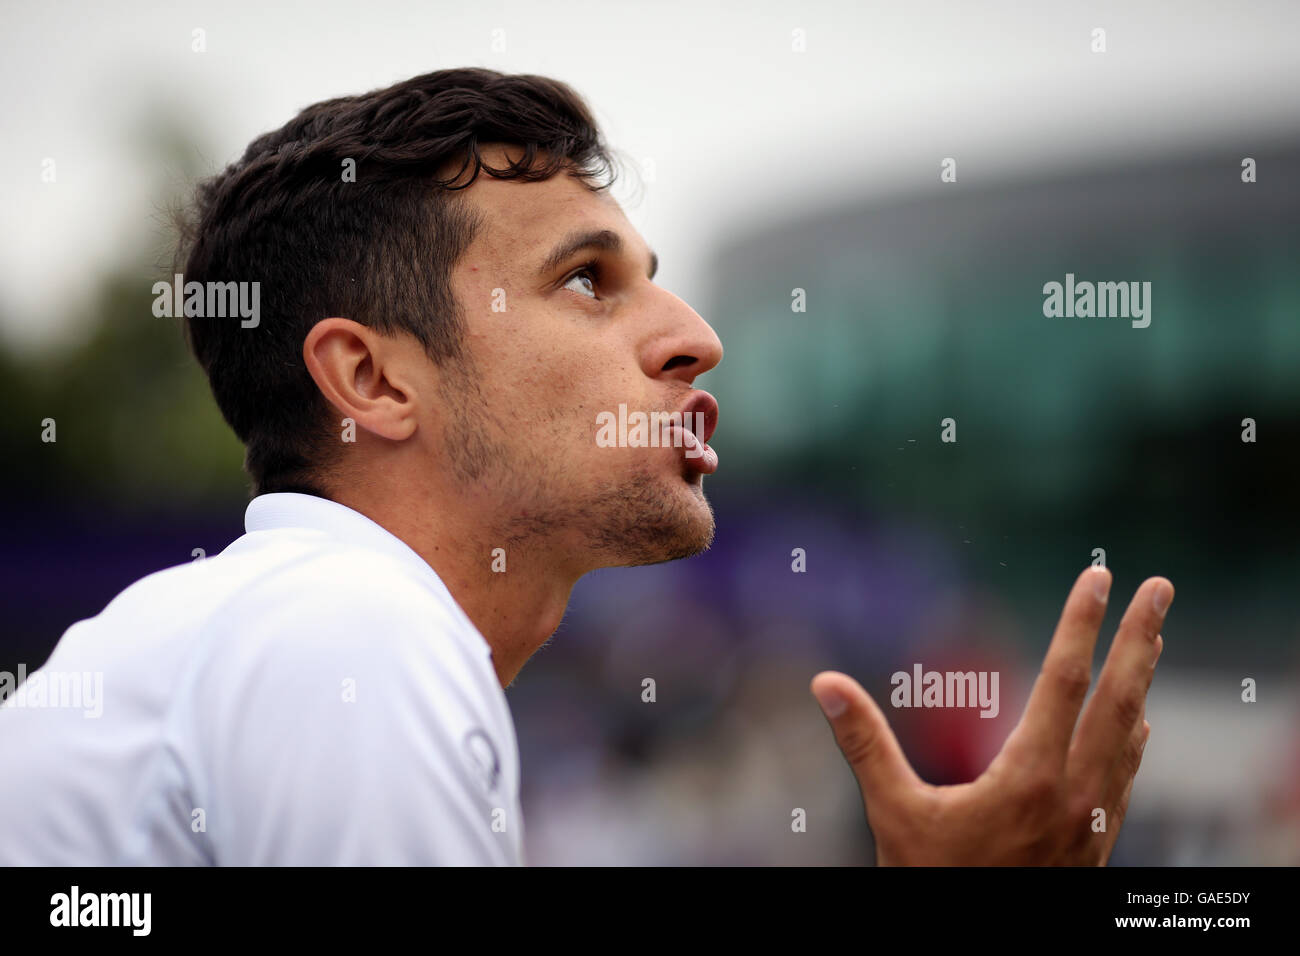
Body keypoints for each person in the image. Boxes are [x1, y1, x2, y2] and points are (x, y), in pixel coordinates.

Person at [0, 67, 1172, 865]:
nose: (695, 337)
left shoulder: (282, 627)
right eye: (584, 282)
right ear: (371, 380)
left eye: (650, 277)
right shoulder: (349, 630)